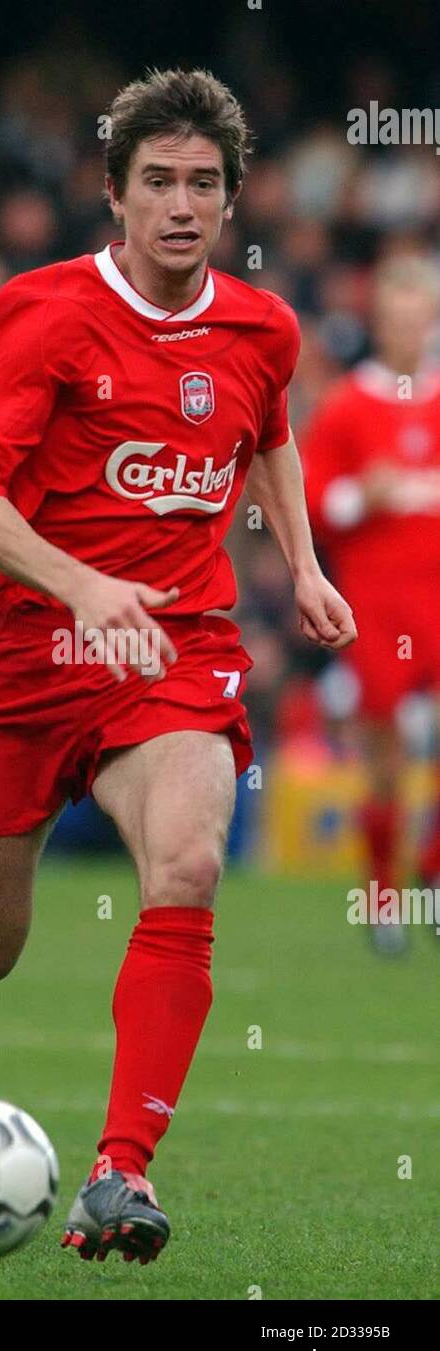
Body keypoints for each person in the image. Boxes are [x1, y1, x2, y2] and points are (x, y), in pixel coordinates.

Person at [0, 69, 355, 1264]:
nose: (181, 203)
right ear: (114, 194)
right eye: (157, 181)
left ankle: (119, 1172)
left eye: (203, 183)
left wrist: (302, 566)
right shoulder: (39, 314)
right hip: (14, 653)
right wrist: (79, 583)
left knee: (192, 859)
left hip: (171, 645)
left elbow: (269, 432)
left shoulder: (263, 326)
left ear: (229, 199)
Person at [303, 254, 440, 953]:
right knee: (384, 753)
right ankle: (382, 897)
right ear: (377, 321)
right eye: (394, 316)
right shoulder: (348, 405)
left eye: (418, 317)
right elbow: (316, 505)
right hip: (378, 603)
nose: (407, 329)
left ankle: (433, 871)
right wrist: (365, 494)